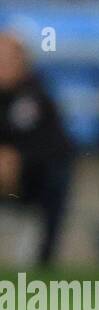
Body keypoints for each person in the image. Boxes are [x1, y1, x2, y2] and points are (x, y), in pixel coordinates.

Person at [0, 31, 74, 266]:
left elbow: (54, 145)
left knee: (56, 176)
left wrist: (18, 158)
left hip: (31, 181)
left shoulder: (38, 97)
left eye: (8, 59)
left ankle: (43, 259)